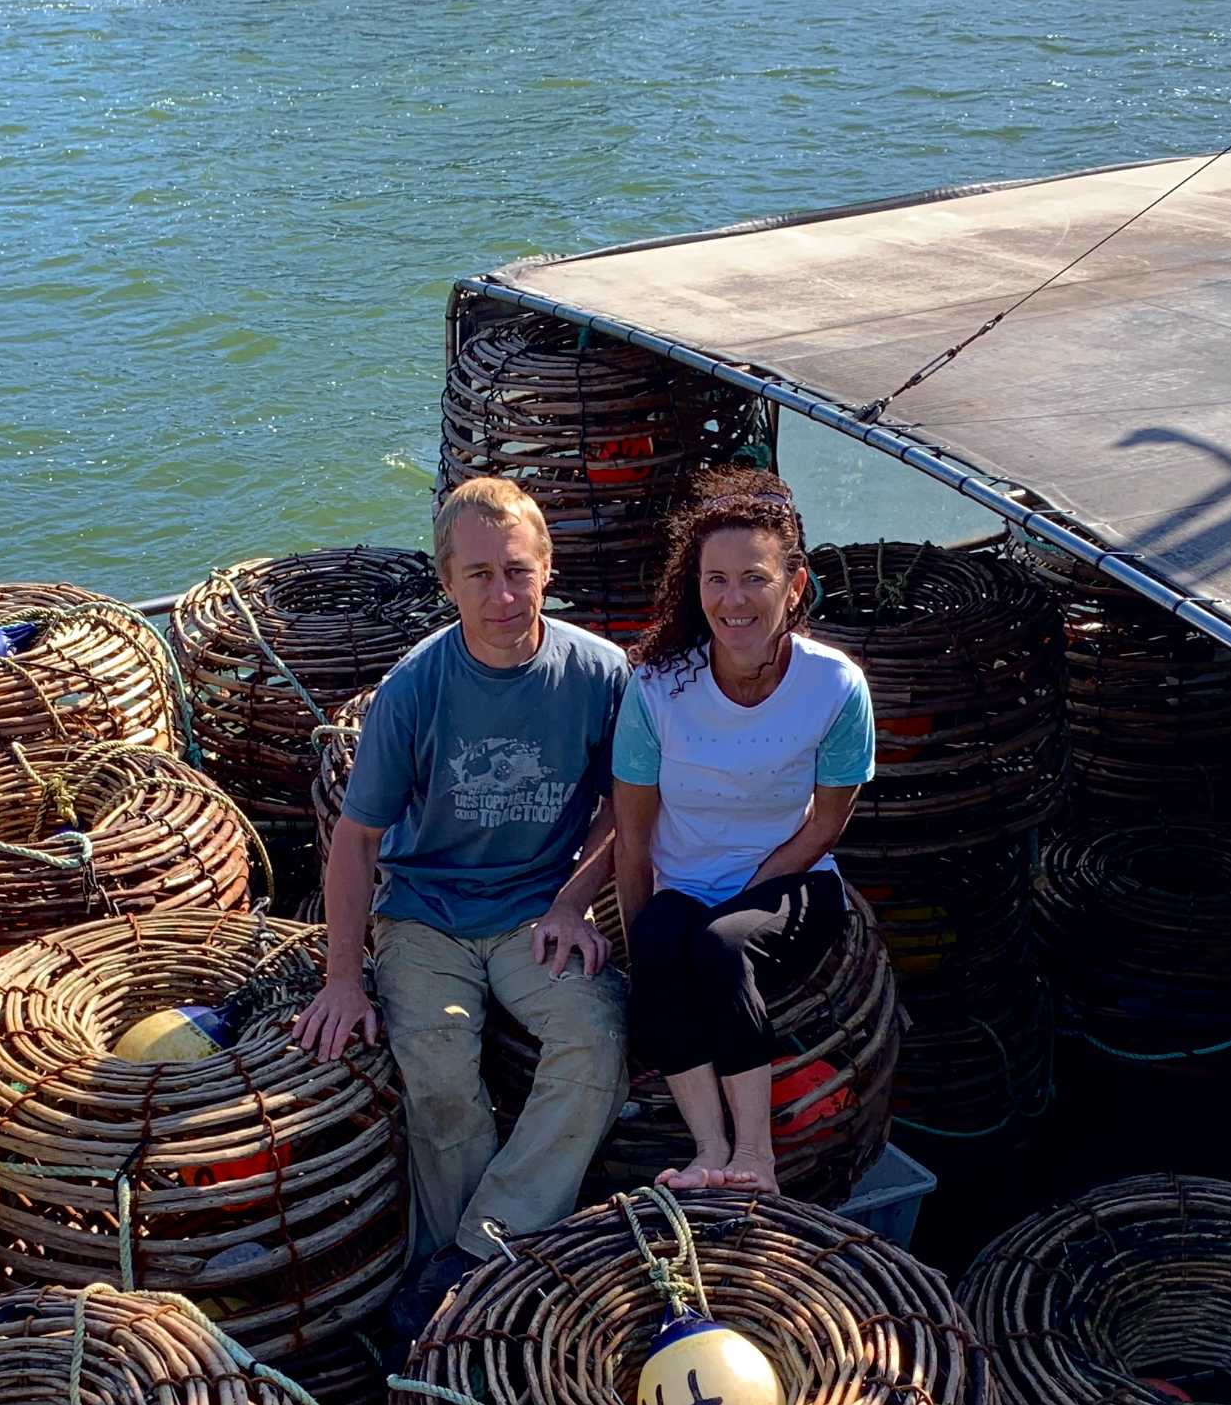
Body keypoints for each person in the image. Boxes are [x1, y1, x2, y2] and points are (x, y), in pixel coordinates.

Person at [293, 476, 628, 1329]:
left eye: (518, 570)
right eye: (479, 575)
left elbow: (629, 805)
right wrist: (343, 979)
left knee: (596, 1037)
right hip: (424, 914)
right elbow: (357, 841)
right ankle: (466, 1284)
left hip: (536, 911)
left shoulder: (600, 673)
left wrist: (576, 898)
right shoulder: (415, 687)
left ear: (548, 568)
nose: (503, 594)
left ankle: (473, 1258)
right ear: (446, 582)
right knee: (440, 1069)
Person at [610, 472, 873, 1196]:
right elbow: (632, 841)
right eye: (715, 580)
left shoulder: (836, 686)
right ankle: (708, 1149)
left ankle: (756, 1155)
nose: (733, 601)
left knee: (722, 945)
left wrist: (751, 891)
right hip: (685, 887)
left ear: (794, 586)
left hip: (792, 884)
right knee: (667, 940)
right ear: (693, 588)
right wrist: (644, 967)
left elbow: (826, 823)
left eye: (753, 579)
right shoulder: (656, 687)